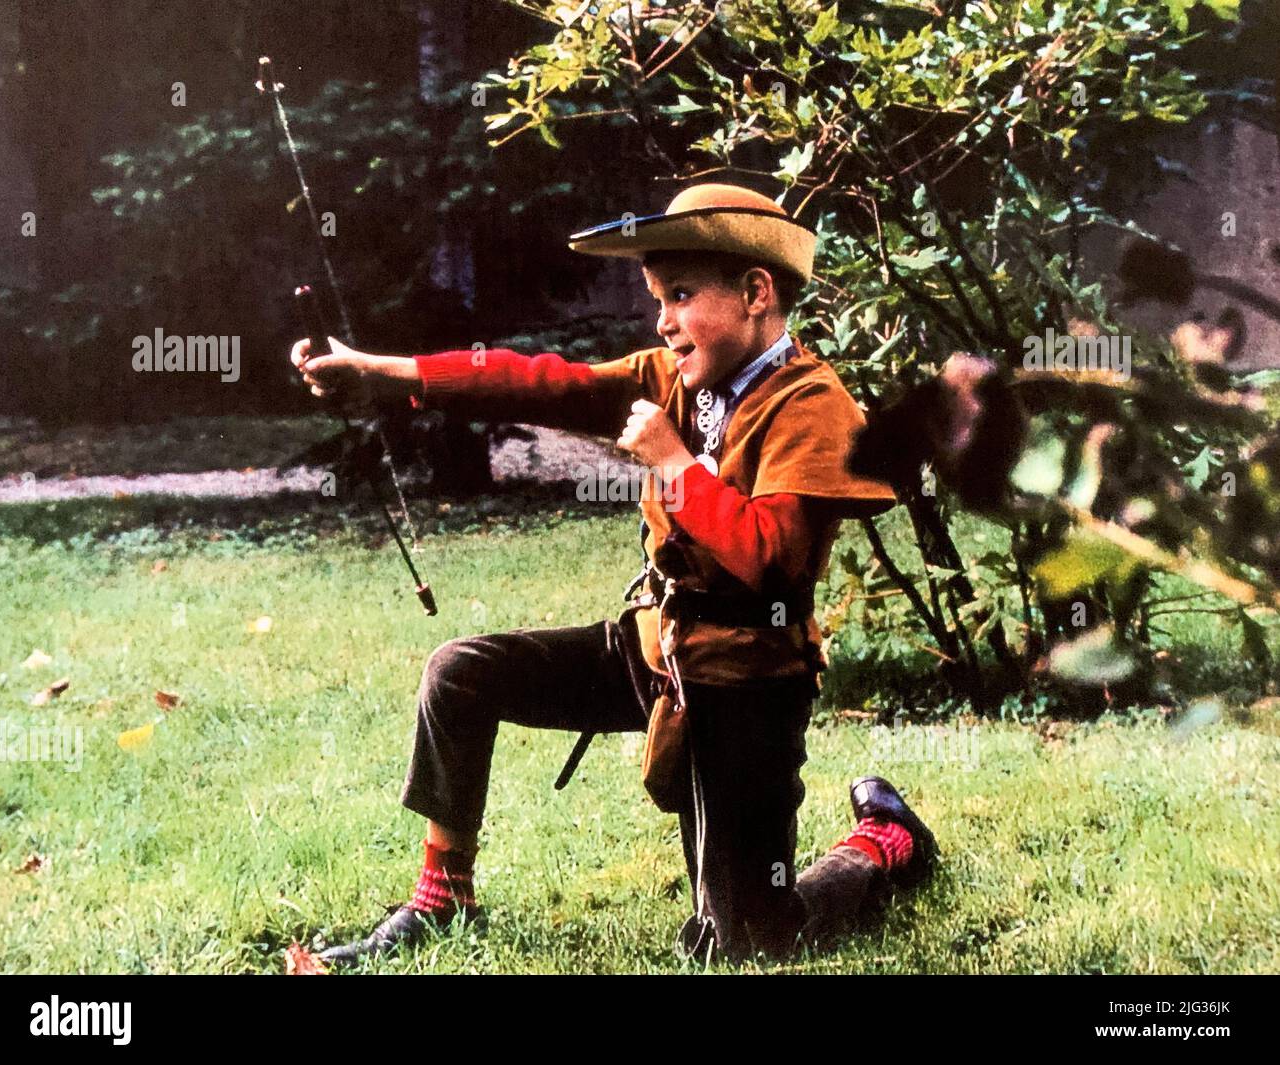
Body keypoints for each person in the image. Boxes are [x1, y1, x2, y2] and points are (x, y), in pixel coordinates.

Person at [290, 183, 938, 967]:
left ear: (757, 292)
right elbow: (537, 380)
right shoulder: (670, 375)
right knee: (461, 673)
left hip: (748, 681)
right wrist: (377, 374)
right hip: (659, 650)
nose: (662, 319)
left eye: (682, 294)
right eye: (657, 298)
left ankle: (883, 839)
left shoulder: (814, 405)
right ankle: (442, 895)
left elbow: (772, 561)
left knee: (750, 942)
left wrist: (672, 462)